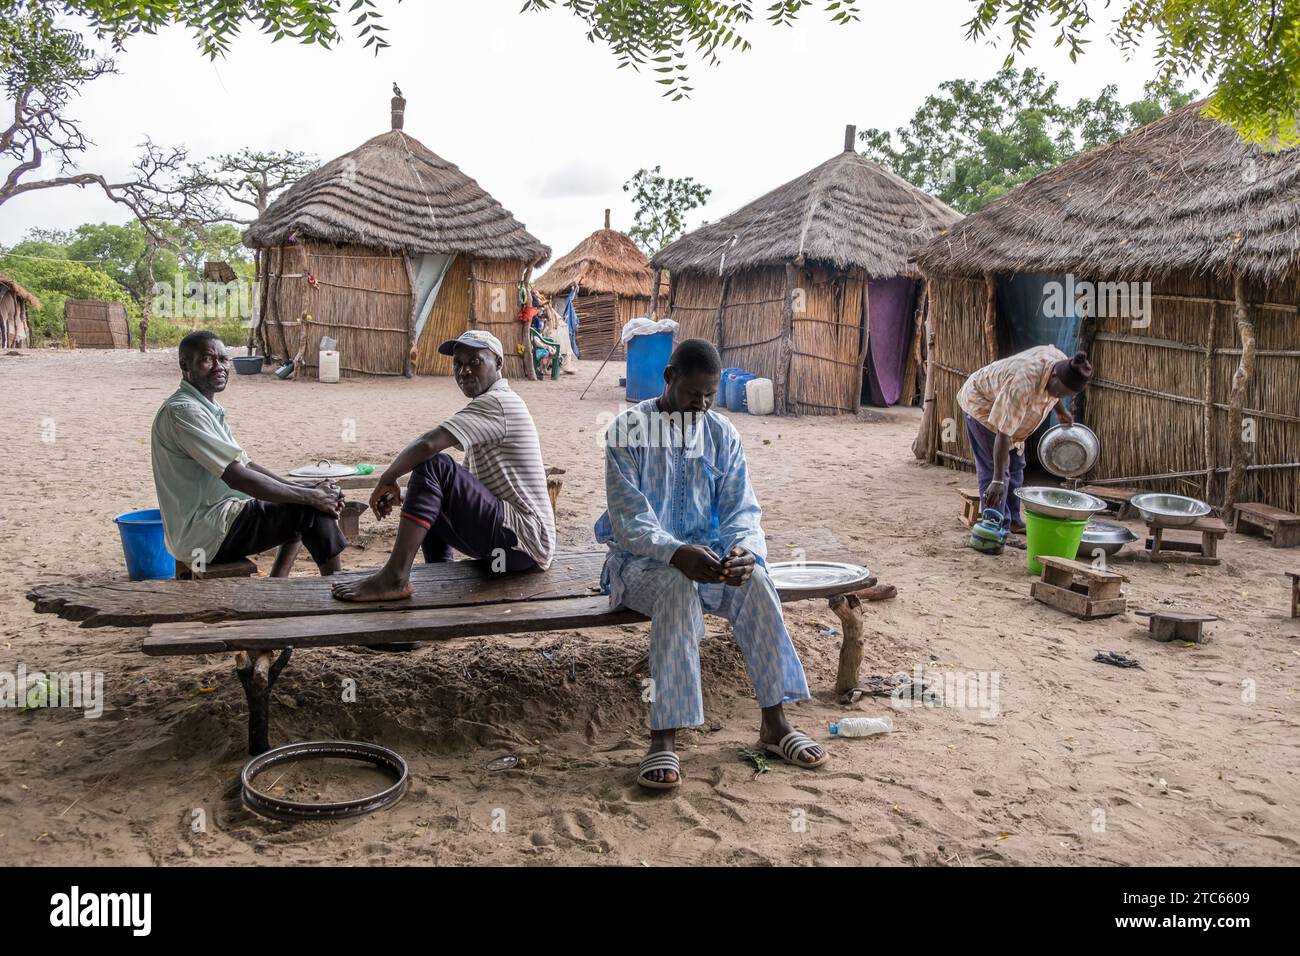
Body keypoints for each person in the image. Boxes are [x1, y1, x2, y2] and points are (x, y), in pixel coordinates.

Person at [595, 338, 826, 790]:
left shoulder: (723, 435)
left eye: (708, 395)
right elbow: (629, 520)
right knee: (676, 588)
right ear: (669, 378)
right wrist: (675, 552)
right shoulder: (627, 431)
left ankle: (774, 724)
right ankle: (664, 737)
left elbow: (742, 509)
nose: (699, 405)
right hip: (640, 564)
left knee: (757, 580)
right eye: (691, 393)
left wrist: (743, 551)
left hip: (709, 560)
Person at [332, 329, 555, 602]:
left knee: (435, 464)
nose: (464, 371)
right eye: (458, 364)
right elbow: (461, 493)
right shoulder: (490, 405)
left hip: (524, 541)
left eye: (475, 361)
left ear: (498, 363)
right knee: (432, 486)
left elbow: (428, 444)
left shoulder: (499, 402)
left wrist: (387, 478)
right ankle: (439, 579)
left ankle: (395, 576)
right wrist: (415, 497)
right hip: (513, 545)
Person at [151, 331, 346, 577]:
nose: (219, 367)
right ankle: (337, 586)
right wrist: (313, 498)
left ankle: (278, 584)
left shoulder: (206, 408)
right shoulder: (184, 412)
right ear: (184, 364)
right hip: (205, 533)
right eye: (208, 359)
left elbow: (246, 464)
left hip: (218, 519)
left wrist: (309, 489)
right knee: (310, 510)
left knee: (302, 501)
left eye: (224, 360)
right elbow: (237, 477)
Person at [958, 346, 1093, 532]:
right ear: (1054, 377)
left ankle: (1012, 520)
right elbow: (1003, 433)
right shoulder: (1022, 383)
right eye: (1062, 392)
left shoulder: (1061, 363)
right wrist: (997, 481)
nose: (1061, 397)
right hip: (982, 406)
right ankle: (994, 526)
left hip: (1010, 412)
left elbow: (1055, 394)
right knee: (996, 471)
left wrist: (1061, 411)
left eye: (1067, 395)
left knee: (1016, 467)